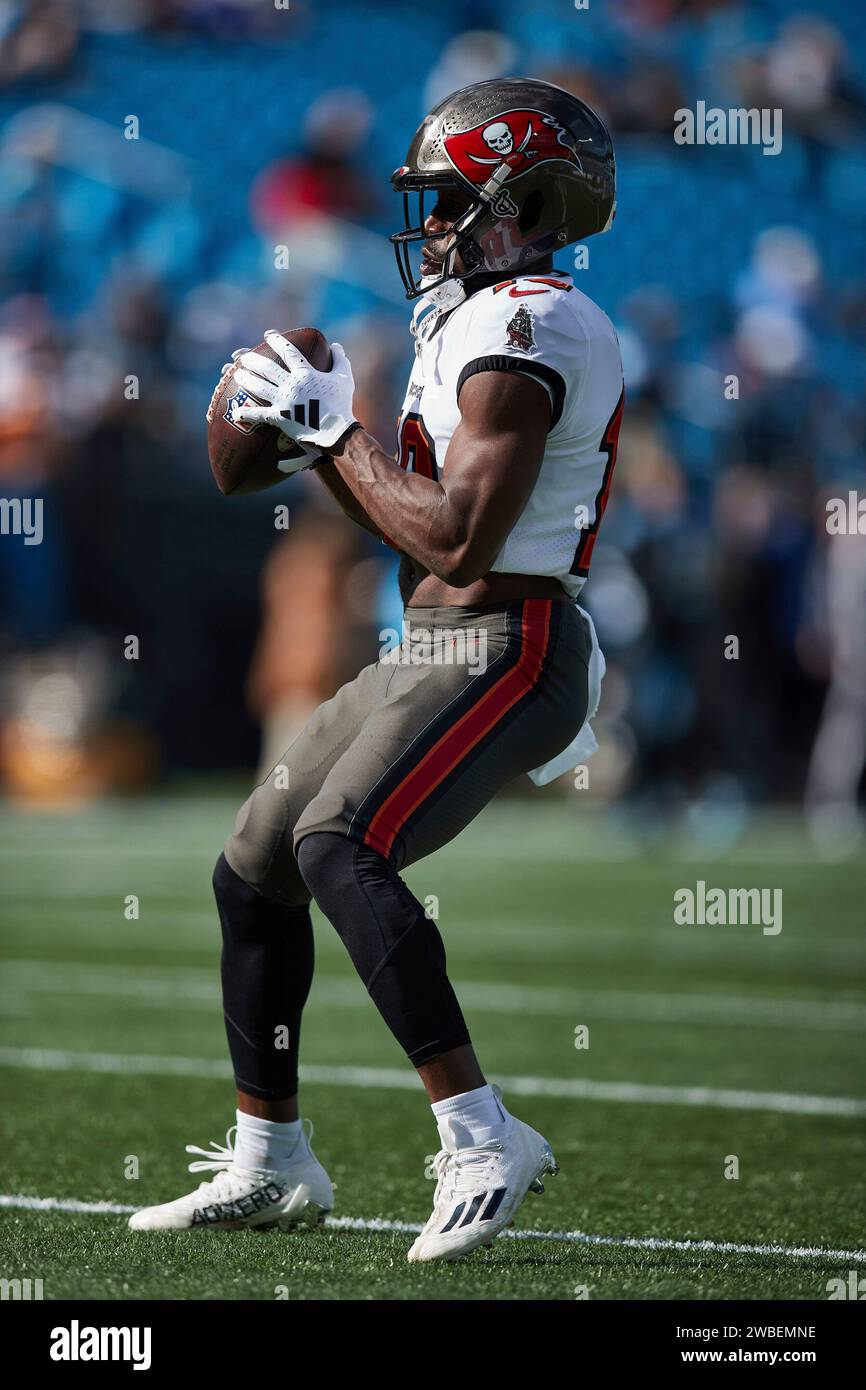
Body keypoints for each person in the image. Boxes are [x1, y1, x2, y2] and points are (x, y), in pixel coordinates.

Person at [129, 77, 624, 1263]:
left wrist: (333, 434)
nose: (433, 224)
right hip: (433, 640)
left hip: (512, 641)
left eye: (452, 201)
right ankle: (270, 1157)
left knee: (337, 843)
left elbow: (459, 537)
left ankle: (478, 1131)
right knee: (252, 866)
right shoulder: (459, 321)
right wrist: (309, 439)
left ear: (521, 206)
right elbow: (412, 529)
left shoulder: (537, 323)